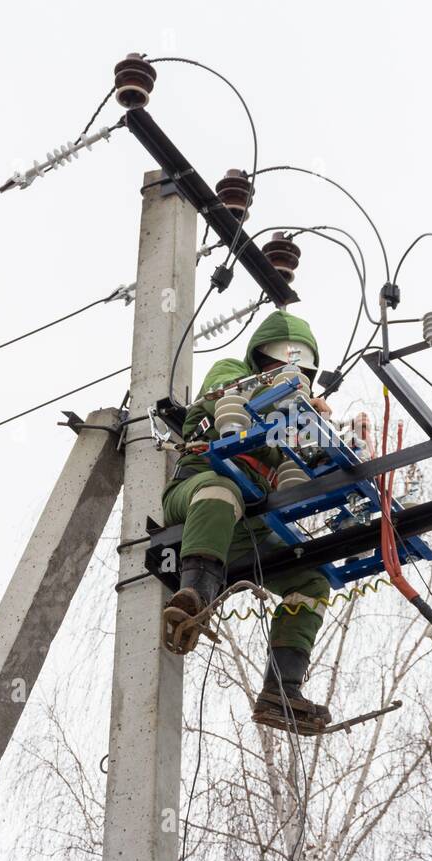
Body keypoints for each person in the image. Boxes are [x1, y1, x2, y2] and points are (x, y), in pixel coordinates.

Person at [160, 309, 333, 732]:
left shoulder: (294, 420)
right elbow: (231, 397)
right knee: (224, 489)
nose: (289, 373)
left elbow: (315, 462)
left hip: (251, 527)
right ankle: (194, 597)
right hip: (198, 490)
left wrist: (321, 430)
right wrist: (290, 398)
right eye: (279, 364)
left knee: (311, 580)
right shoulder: (233, 371)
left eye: (299, 369)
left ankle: (281, 690)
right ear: (261, 360)